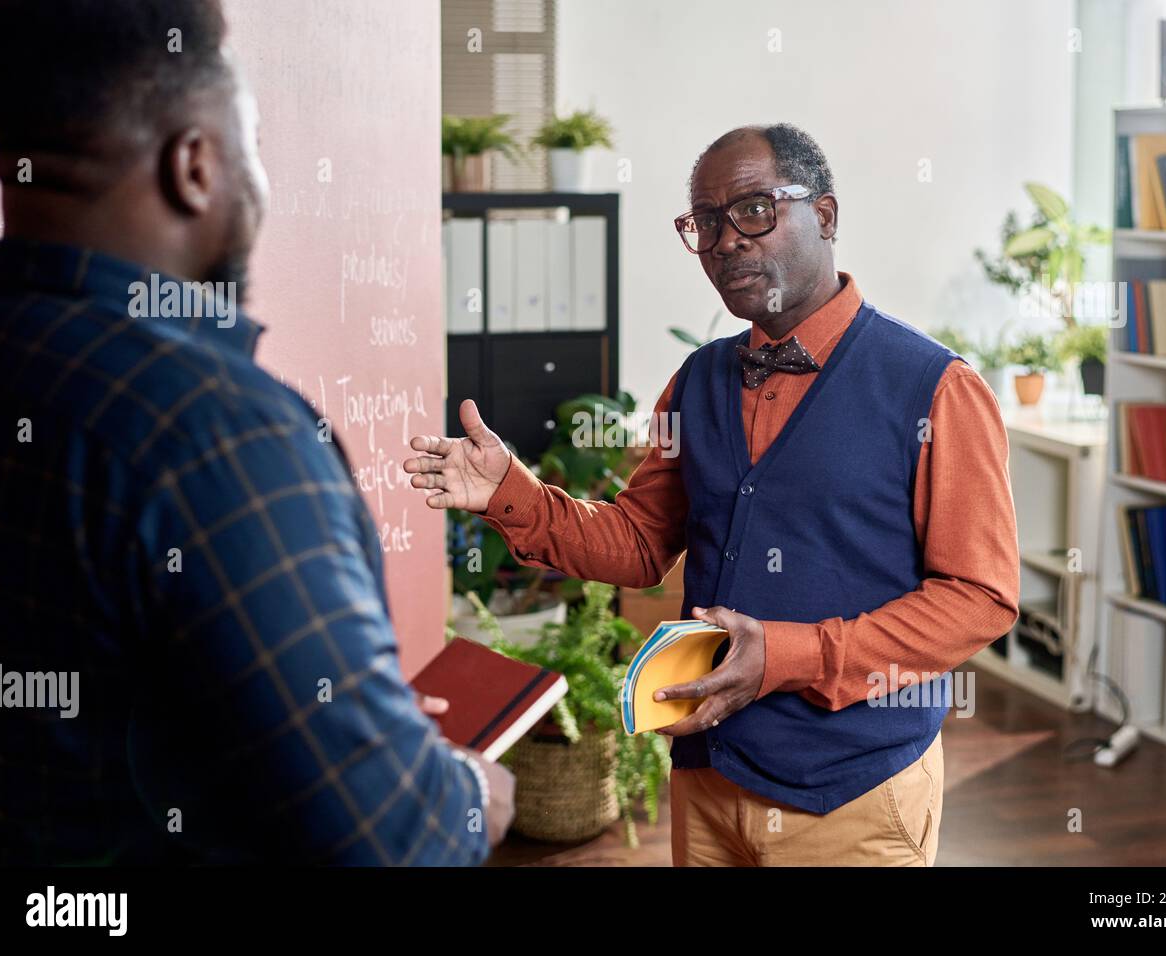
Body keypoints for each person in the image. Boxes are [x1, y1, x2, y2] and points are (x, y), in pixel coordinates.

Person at [0, 0, 511, 865]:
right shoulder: (221, 435)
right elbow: (397, 844)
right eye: (252, 144)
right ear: (195, 165)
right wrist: (473, 792)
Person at [404, 123, 1018, 866]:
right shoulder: (697, 380)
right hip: (706, 778)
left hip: (854, 793)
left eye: (754, 210)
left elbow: (980, 597)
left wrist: (789, 655)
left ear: (824, 216)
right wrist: (514, 494)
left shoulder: (937, 387)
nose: (726, 241)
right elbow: (639, 544)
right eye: (706, 222)